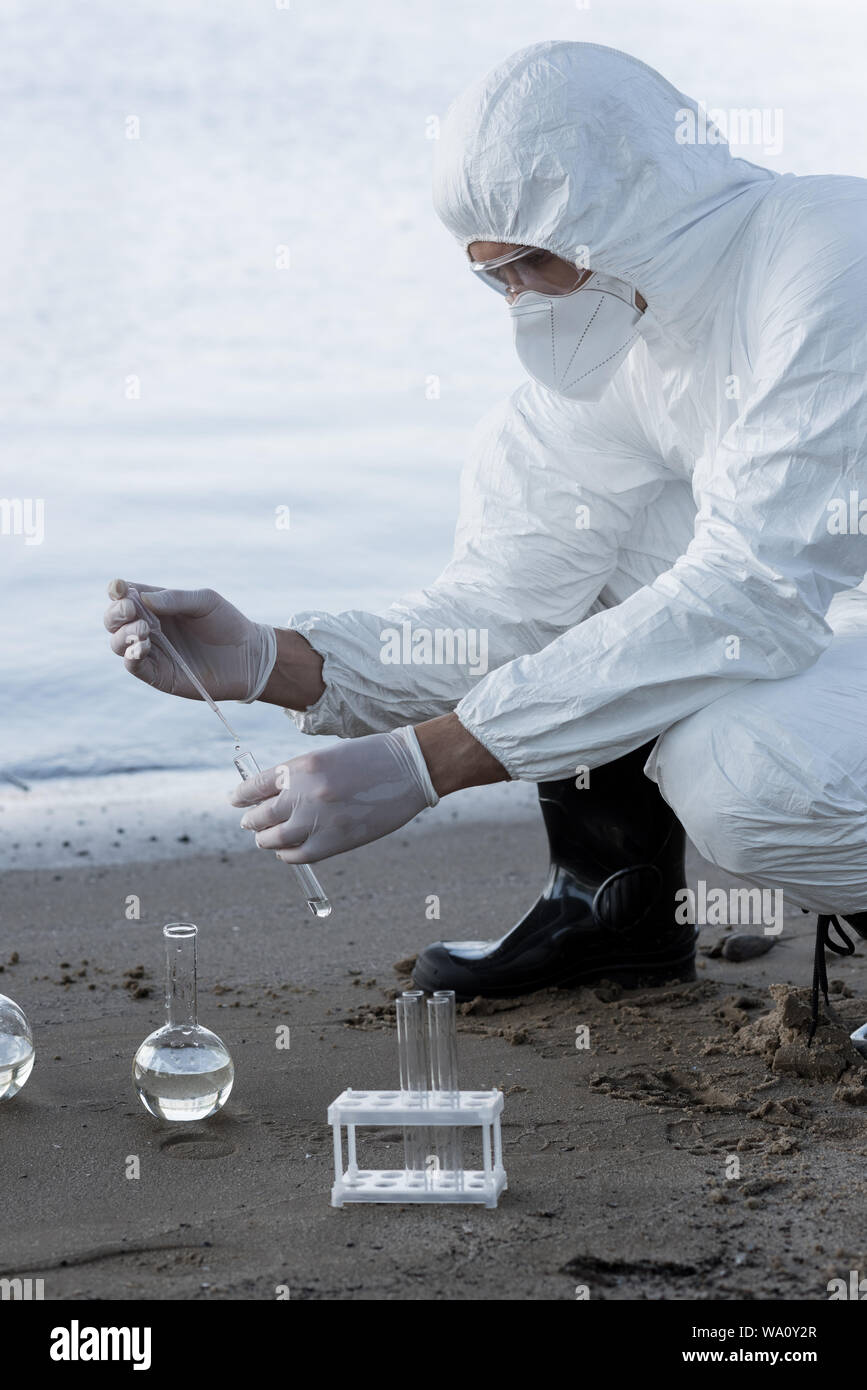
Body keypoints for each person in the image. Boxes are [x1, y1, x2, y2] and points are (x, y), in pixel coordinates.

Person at [105, 41, 867, 1030]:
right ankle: (612, 904)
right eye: (492, 273)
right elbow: (506, 607)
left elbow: (754, 591)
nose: (519, 298)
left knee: (751, 778)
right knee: (581, 538)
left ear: (622, 202)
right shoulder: (607, 364)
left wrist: (431, 762)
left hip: (803, 601)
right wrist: (273, 660)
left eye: (533, 258)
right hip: (829, 624)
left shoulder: (827, 250)